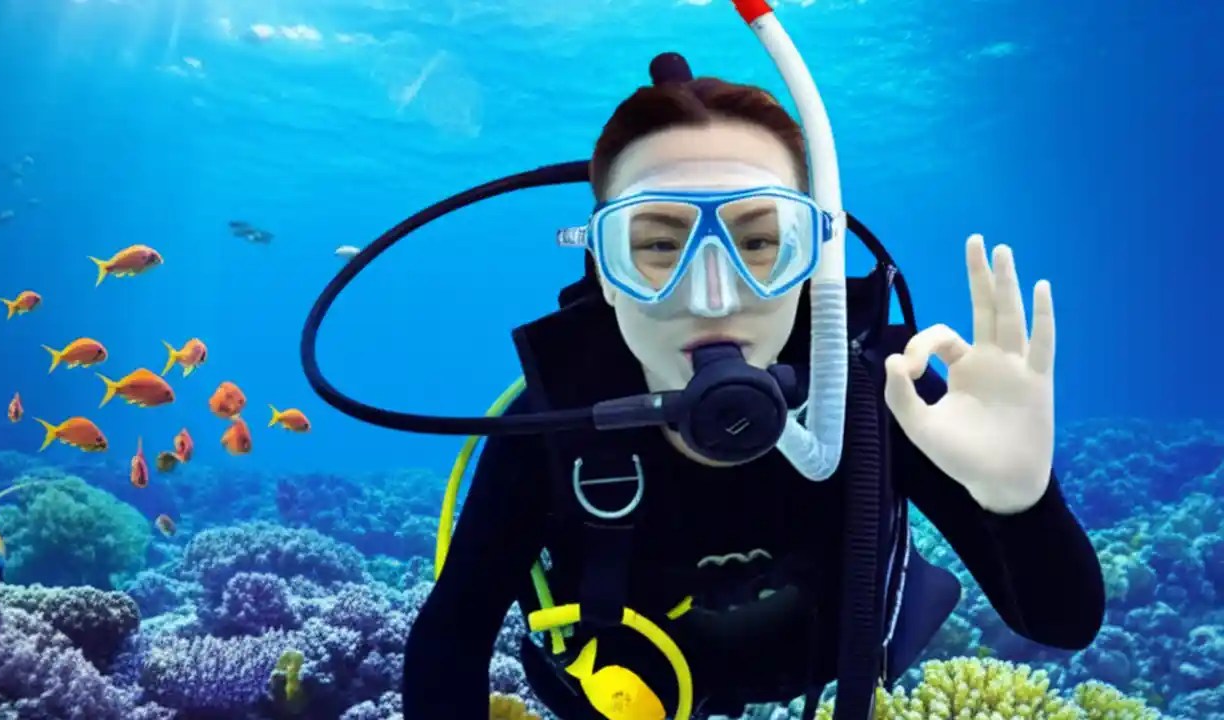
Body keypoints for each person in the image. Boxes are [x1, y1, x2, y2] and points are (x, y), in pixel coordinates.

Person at [300, 6, 1104, 719]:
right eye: (656, 246)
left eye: (760, 242)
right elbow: (451, 640)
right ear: (605, 275)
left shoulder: (884, 390)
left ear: (816, 256)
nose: (714, 297)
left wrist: (1020, 500)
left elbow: (1060, 623)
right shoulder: (549, 423)